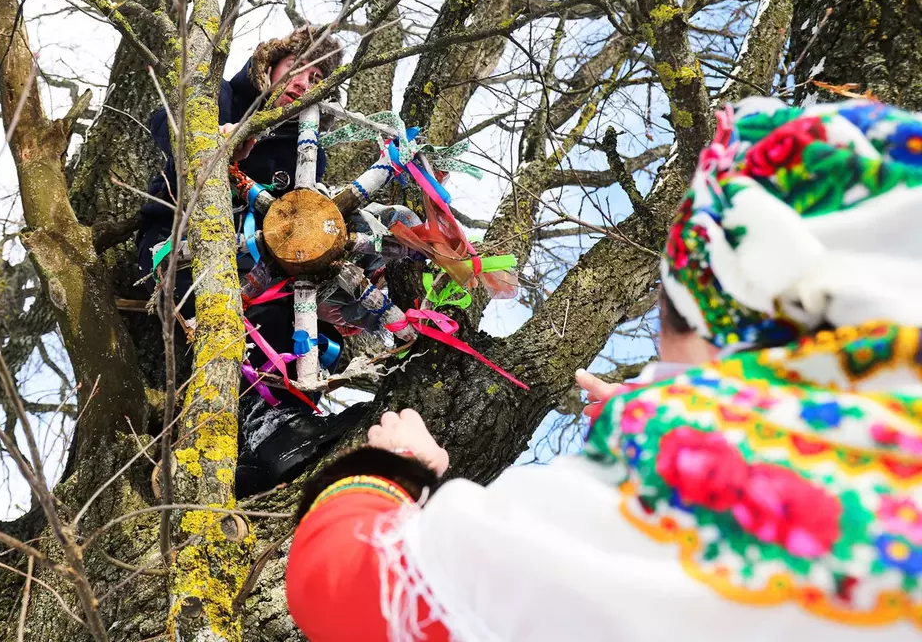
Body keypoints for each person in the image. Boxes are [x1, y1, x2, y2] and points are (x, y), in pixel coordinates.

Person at [285, 97, 922, 641]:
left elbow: (341, 583)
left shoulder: (696, 488)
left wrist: (394, 472)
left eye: (666, 322)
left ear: (720, 310)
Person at [136, 25, 362, 499]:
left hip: (259, 257)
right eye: (297, 68)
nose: (303, 82)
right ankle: (266, 429)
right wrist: (218, 141)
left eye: (317, 75)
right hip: (181, 244)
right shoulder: (225, 95)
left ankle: (281, 429)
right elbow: (168, 127)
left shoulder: (307, 153)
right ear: (273, 63)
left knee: (301, 324)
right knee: (239, 315)